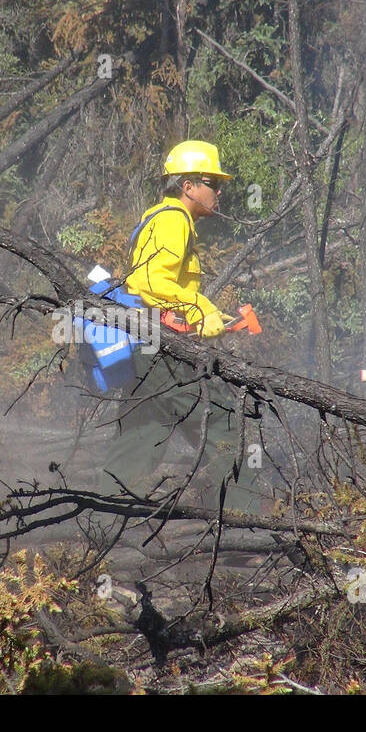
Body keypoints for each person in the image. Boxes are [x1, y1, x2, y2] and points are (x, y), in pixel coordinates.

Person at [97, 140, 258, 510]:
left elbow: (157, 284)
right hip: (162, 353)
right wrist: (200, 308)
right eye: (212, 183)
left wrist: (205, 314)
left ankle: (101, 521)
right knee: (228, 427)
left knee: (139, 440)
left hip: (148, 350)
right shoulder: (173, 219)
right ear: (188, 186)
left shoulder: (165, 217)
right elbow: (150, 282)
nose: (219, 192)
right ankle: (244, 523)